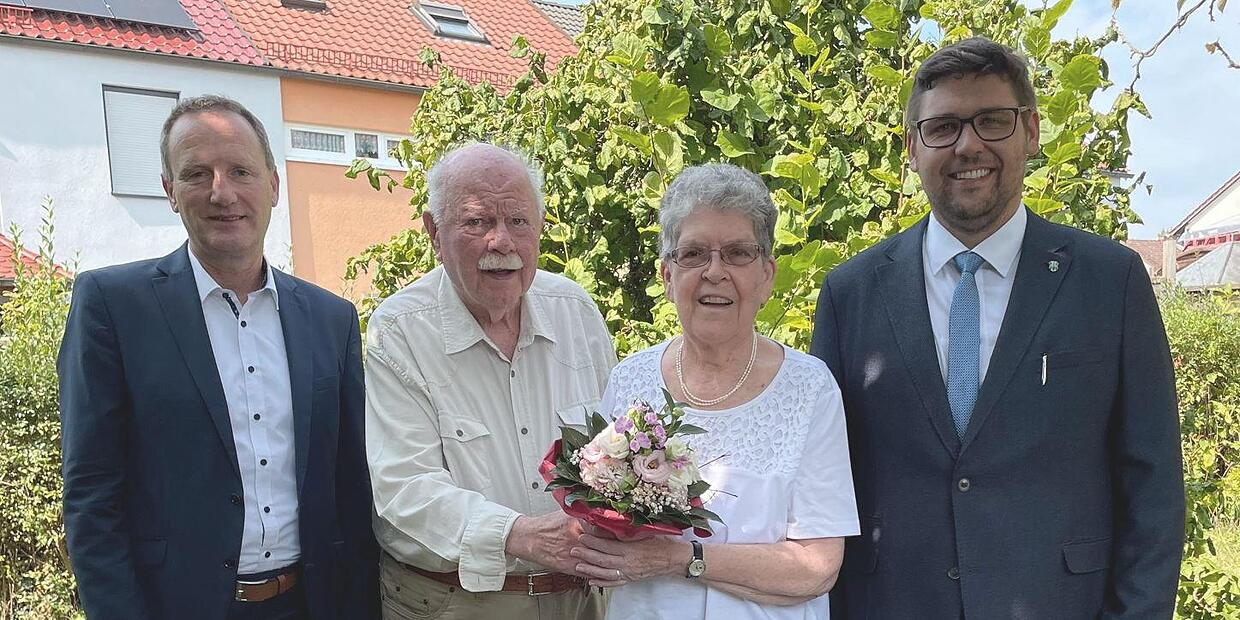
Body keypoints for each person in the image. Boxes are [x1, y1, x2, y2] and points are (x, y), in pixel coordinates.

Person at [810, 37, 1184, 619]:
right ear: (912, 147)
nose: (968, 145)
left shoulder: (1111, 281)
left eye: (992, 121)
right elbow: (825, 484)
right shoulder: (850, 293)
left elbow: (1153, 483)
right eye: (943, 127)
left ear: (1031, 132)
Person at [59, 94, 379, 619]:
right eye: (195, 174)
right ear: (169, 191)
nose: (221, 192)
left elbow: (352, 486)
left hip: (312, 603)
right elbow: (93, 495)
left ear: (274, 186)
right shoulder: (112, 307)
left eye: (240, 171)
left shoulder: (331, 319)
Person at [569, 163, 859, 620]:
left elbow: (816, 568)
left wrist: (678, 558)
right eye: (694, 253)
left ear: (766, 276)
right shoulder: (630, 380)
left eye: (739, 253)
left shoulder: (809, 388)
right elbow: (599, 537)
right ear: (667, 276)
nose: (715, 272)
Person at [364, 142, 618, 619]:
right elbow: (404, 486)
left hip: (581, 600)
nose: (501, 242)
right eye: (477, 222)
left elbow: (617, 448)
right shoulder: (401, 330)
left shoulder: (577, 313)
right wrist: (520, 535)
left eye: (518, 221)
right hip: (455, 602)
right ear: (434, 233)